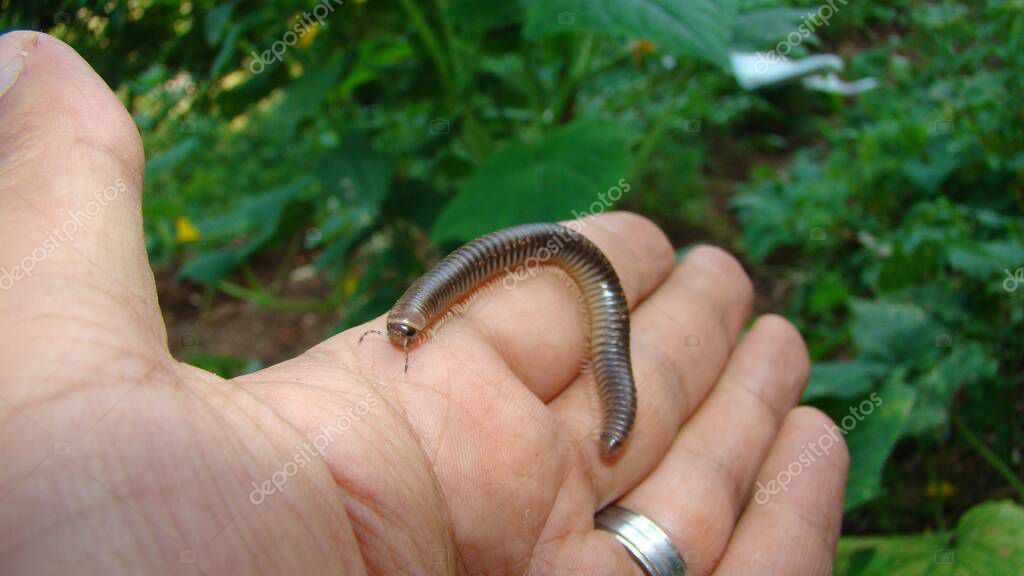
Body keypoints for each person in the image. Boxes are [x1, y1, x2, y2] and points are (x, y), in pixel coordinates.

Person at [0, 31, 848, 575]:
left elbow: (558, 273)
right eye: (410, 325)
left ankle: (613, 408)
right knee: (586, 325)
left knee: (612, 356)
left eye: (411, 325)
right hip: (549, 273)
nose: (408, 333)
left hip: (577, 266)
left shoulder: (548, 261)